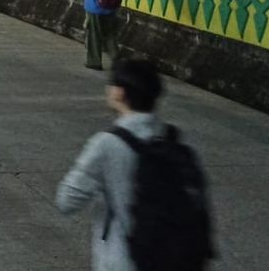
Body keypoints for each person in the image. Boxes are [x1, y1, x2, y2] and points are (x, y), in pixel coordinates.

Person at [56, 59, 213, 271]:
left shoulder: (106, 144)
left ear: (119, 93)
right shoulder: (170, 138)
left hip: (123, 259)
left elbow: (66, 201)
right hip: (173, 259)